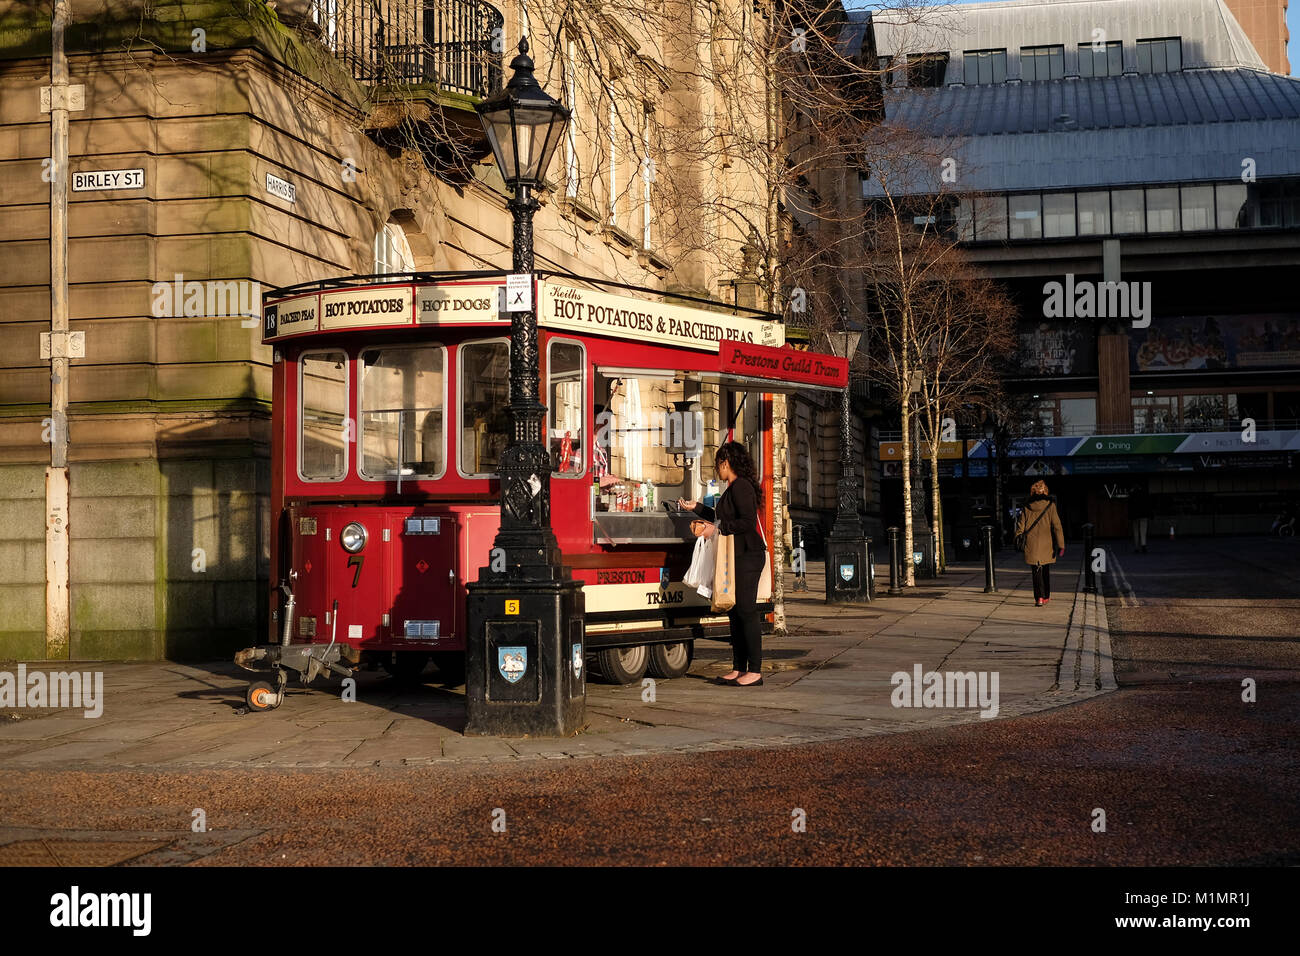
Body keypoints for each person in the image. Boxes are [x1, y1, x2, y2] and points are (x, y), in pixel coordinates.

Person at [678, 441, 767, 686]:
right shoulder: (733, 488)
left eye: (718, 464)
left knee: (747, 612)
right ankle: (739, 667)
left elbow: (746, 523)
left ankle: (755, 671)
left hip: (748, 555)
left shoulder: (741, 487)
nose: (717, 470)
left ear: (725, 463)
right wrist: (696, 508)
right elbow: (721, 517)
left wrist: (715, 529)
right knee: (735, 612)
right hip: (735, 555)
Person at [1015, 479, 1064, 607]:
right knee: (1045, 570)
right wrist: (1061, 544)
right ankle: (1046, 596)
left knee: (1035, 572)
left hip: (1031, 544)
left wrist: (1018, 538)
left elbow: (1020, 526)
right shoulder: (1050, 505)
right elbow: (1057, 526)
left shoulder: (1026, 507)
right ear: (1045, 491)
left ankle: (1039, 598)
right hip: (1046, 544)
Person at [1128, 481, 1154, 553]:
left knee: (1136, 530)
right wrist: (1151, 514)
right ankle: (1143, 545)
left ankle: (1136, 547)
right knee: (1143, 530)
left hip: (1135, 515)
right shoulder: (1145, 492)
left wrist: (1129, 516)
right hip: (1144, 514)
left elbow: (1130, 505)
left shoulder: (1132, 493)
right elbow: (1149, 504)